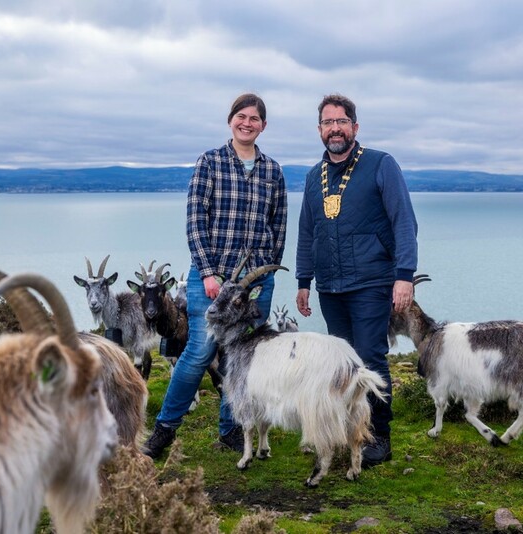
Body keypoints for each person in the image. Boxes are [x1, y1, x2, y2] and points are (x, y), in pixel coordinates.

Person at [143, 93, 287, 459]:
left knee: (241, 355)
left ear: (263, 126)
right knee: (199, 352)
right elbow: (195, 221)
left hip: (255, 284)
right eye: (241, 116)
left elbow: (279, 225)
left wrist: (268, 270)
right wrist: (208, 273)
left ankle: (231, 429)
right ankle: (164, 430)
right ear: (231, 121)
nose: (247, 123)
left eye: (255, 119)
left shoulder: (273, 171)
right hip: (211, 277)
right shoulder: (209, 162)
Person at [295, 94, 418, 468]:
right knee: (342, 365)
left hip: (371, 282)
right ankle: (351, 430)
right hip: (331, 287)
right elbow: (307, 231)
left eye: (342, 121)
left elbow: (404, 222)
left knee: (371, 358)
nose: (335, 128)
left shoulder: (381, 164)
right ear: (319, 130)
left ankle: (379, 436)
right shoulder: (313, 177)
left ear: (355, 127)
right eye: (328, 123)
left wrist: (404, 276)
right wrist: (304, 280)